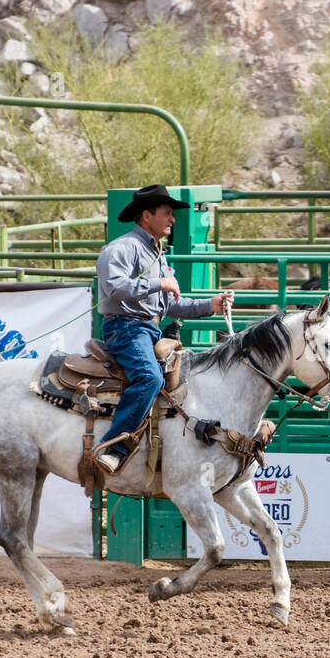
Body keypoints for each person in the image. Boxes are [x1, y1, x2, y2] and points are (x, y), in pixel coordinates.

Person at [94, 184, 234, 475]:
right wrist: (160, 283)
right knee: (149, 378)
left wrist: (211, 304)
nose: (172, 220)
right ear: (147, 215)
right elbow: (114, 288)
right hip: (126, 328)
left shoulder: (156, 253)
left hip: (147, 330)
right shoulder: (122, 248)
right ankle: (113, 447)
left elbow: (171, 305)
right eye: (167, 213)